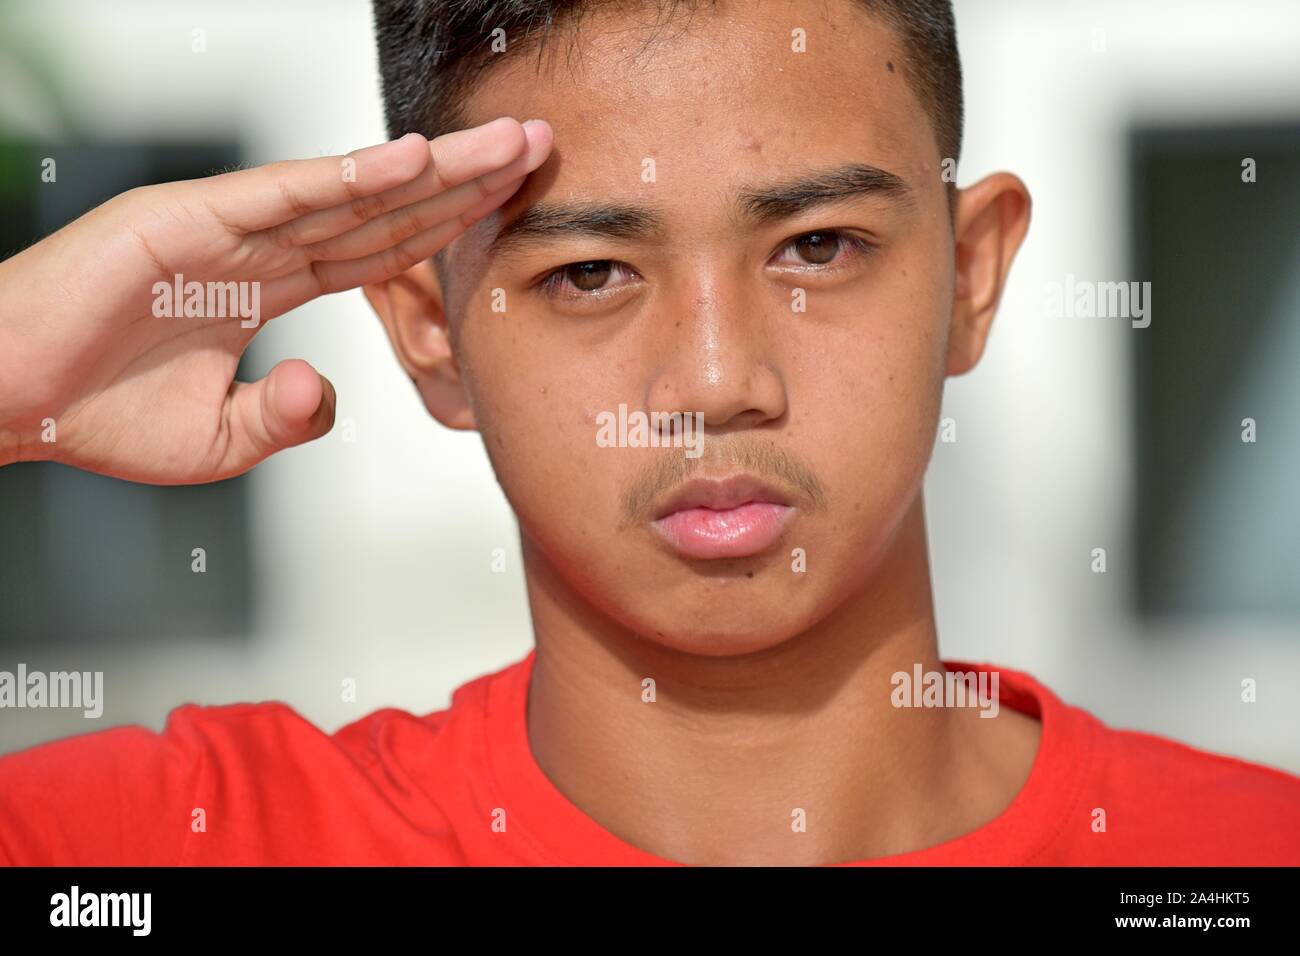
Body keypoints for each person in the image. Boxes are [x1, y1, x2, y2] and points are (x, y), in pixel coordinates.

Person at [0, 0, 1297, 866]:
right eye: (590, 274)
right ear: (426, 326)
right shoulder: (171, 846)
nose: (716, 381)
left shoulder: (1234, 860)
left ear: (970, 276)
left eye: (818, 248)